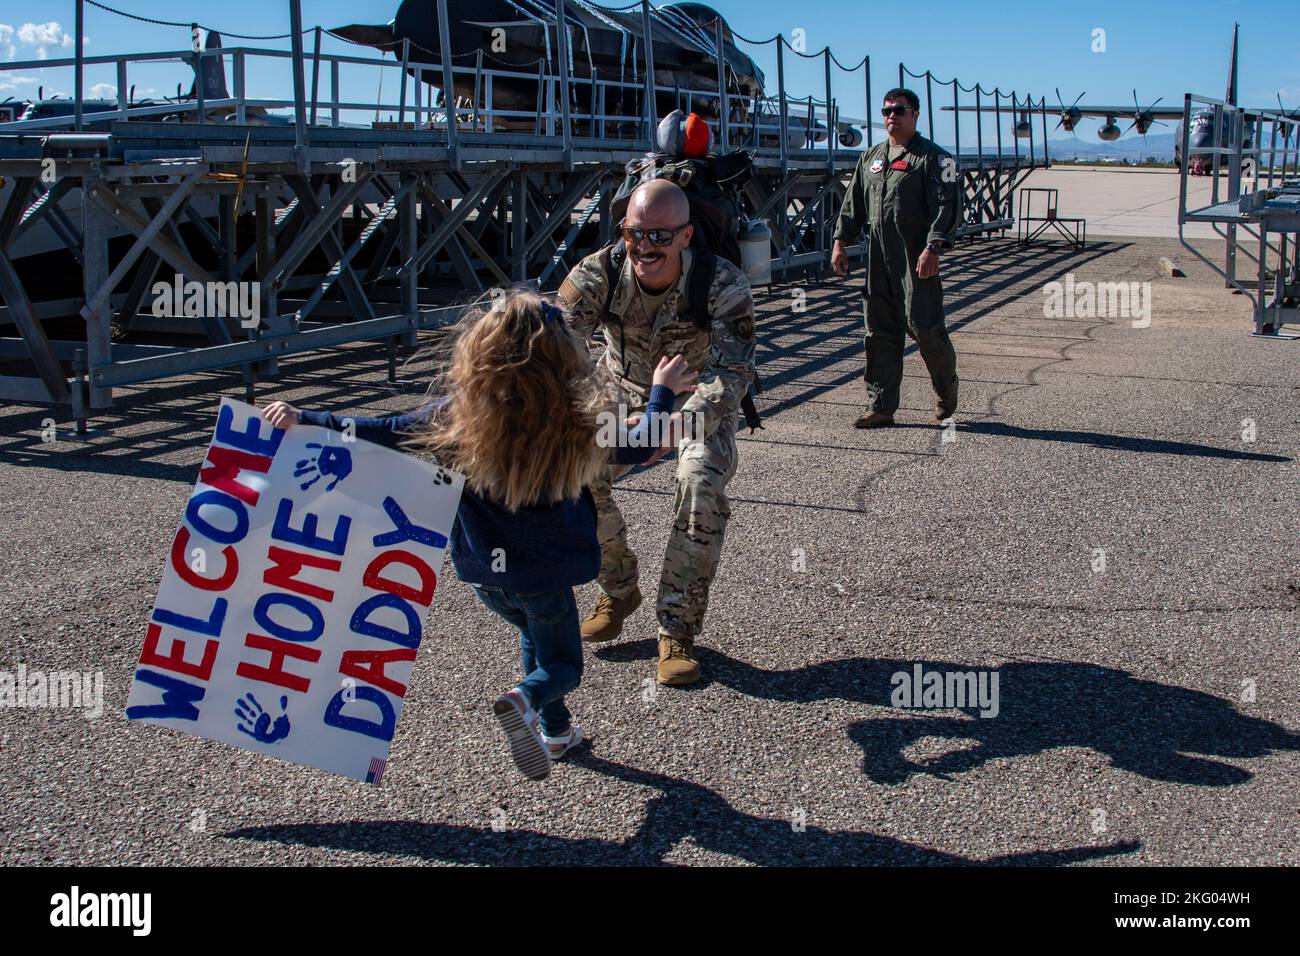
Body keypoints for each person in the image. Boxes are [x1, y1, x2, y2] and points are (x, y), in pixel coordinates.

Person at [260, 290, 697, 781]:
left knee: (533, 635)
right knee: (564, 666)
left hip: (484, 576)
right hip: (543, 575)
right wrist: (661, 389)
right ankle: (525, 698)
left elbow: (382, 429)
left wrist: (308, 419)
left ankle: (556, 731)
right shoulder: (573, 423)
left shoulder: (456, 416)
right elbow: (640, 447)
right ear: (562, 354)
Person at [558, 178, 756, 686]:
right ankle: (619, 588)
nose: (645, 247)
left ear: (686, 236)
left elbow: (732, 374)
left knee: (698, 485)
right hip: (621, 397)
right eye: (634, 233)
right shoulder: (597, 274)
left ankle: (676, 629)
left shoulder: (722, 283)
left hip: (696, 403)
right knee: (574, 471)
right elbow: (553, 350)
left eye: (660, 237)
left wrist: (676, 422)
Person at [831, 87, 961, 429]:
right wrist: (840, 241)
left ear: (915, 114)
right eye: (887, 110)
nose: (892, 116)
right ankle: (881, 406)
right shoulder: (871, 158)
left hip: (915, 258)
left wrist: (934, 247)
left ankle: (947, 390)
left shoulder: (937, 159)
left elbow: (948, 206)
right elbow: (853, 204)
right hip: (878, 260)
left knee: (926, 329)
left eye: (899, 110)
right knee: (879, 331)